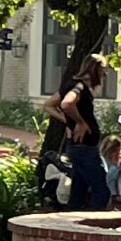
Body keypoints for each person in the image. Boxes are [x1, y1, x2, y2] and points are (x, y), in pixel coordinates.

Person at [41, 56, 109, 209]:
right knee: (101, 192)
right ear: (96, 70)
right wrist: (79, 122)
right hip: (84, 148)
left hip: (76, 147)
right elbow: (66, 104)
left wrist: (68, 121)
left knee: (78, 194)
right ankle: (95, 227)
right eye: (103, 72)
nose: (104, 76)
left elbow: (49, 105)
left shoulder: (70, 85)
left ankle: (70, 224)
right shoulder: (79, 87)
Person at [100, 136, 121, 205]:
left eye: (120, 150)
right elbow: (108, 177)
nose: (119, 153)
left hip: (118, 192)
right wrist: (116, 167)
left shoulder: (118, 163)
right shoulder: (102, 160)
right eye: (116, 150)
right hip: (108, 193)